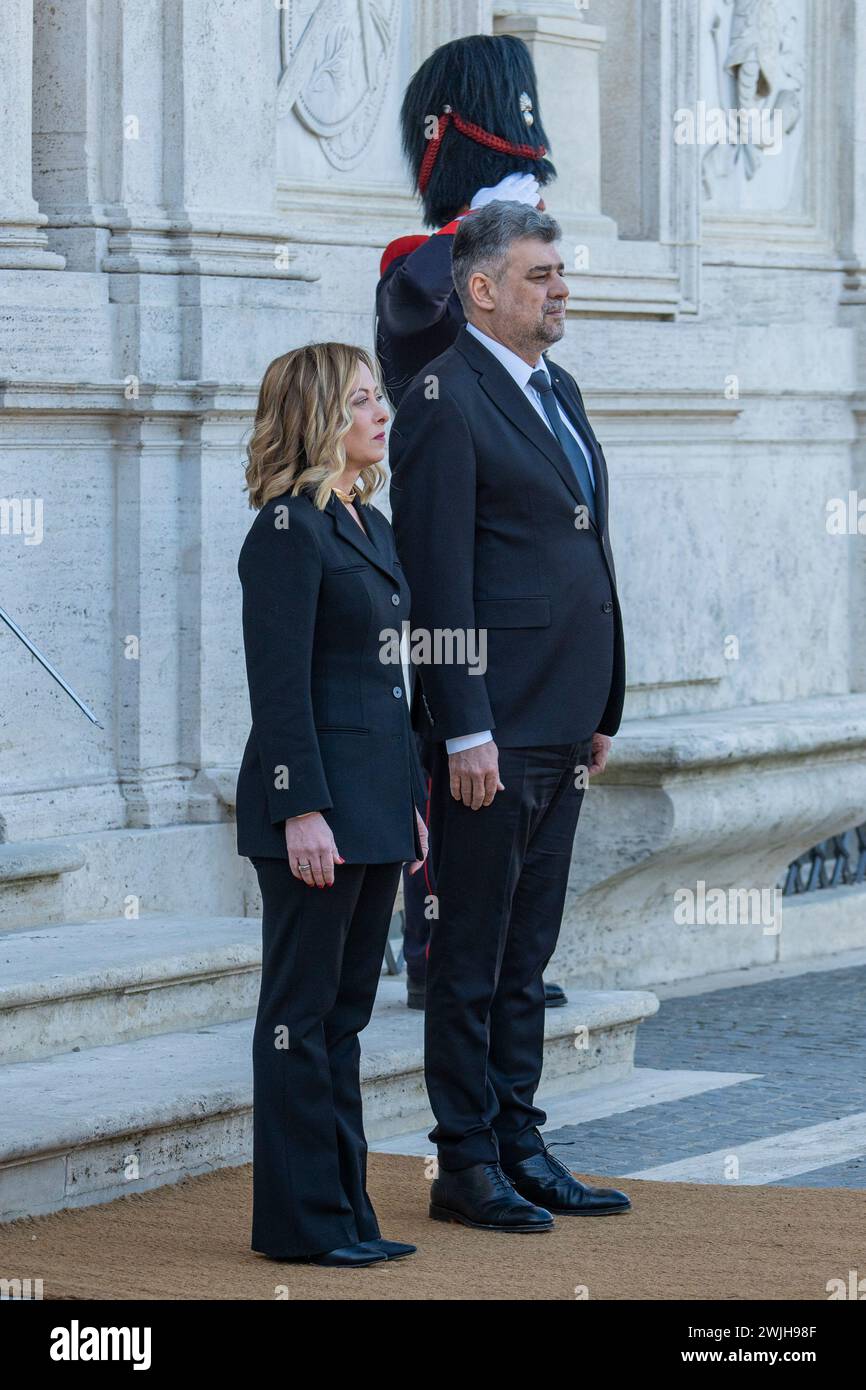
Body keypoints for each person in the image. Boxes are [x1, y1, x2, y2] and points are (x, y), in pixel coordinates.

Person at [389, 201, 632, 1231]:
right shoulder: (443, 397)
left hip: (562, 719)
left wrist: (603, 699)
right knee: (470, 949)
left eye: (560, 271)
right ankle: (464, 1161)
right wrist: (461, 730)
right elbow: (434, 581)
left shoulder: (557, 388)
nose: (559, 288)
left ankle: (521, 1140)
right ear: (479, 288)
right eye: (538, 274)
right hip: (489, 731)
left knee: (526, 953)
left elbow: (583, 555)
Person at [376, 31, 568, 1010]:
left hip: (524, 562)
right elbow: (428, 299)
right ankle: (435, 943)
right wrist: (484, 219)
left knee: (522, 767)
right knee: (444, 746)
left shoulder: (498, 255)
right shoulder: (418, 263)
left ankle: (506, 956)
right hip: (450, 553)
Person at [236, 342, 429, 1267]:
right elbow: (279, 691)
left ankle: (347, 1214)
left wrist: (407, 801)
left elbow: (380, 686)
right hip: (314, 815)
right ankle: (301, 1226)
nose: (379, 412)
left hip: (374, 808)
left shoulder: (368, 522)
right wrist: (298, 810)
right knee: (299, 1019)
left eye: (379, 395)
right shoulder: (285, 530)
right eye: (360, 400)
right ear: (318, 417)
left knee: (343, 1021)